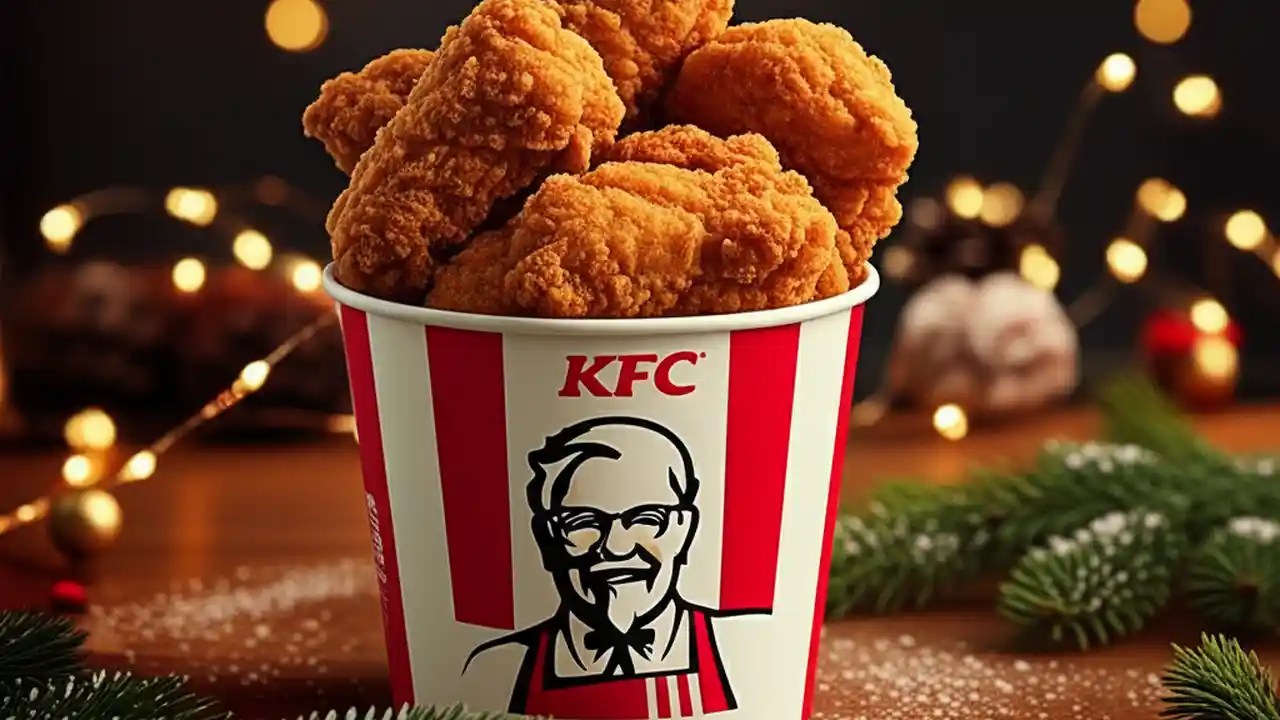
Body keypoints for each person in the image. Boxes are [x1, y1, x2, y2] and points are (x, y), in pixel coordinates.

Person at [466, 416, 742, 718]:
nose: (616, 547)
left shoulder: (744, 647)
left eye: (647, 519)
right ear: (546, 538)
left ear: (684, 531)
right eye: (583, 522)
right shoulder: (499, 664)